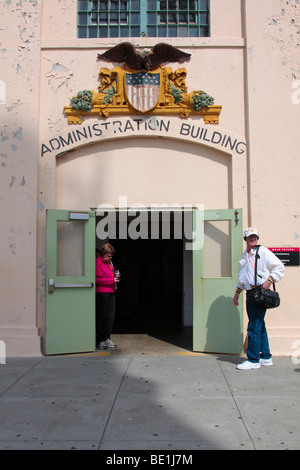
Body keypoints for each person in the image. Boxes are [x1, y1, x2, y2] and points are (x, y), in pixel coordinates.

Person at [233, 227, 285, 370]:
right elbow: (243, 278)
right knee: (259, 325)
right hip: (250, 293)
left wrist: (269, 281)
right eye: (250, 237)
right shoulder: (245, 256)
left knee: (254, 326)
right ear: (245, 239)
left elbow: (279, 267)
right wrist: (237, 293)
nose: (253, 238)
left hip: (259, 293)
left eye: (255, 236)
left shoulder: (262, 252)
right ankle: (266, 357)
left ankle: (253, 359)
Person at [95, 243, 120, 349]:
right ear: (103, 254)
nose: (110, 258)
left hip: (111, 292)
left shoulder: (110, 263)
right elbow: (96, 280)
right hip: (102, 293)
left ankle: (107, 338)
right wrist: (111, 280)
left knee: (110, 317)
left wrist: (115, 277)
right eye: (108, 256)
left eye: (111, 256)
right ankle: (100, 340)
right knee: (102, 317)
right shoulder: (98, 263)